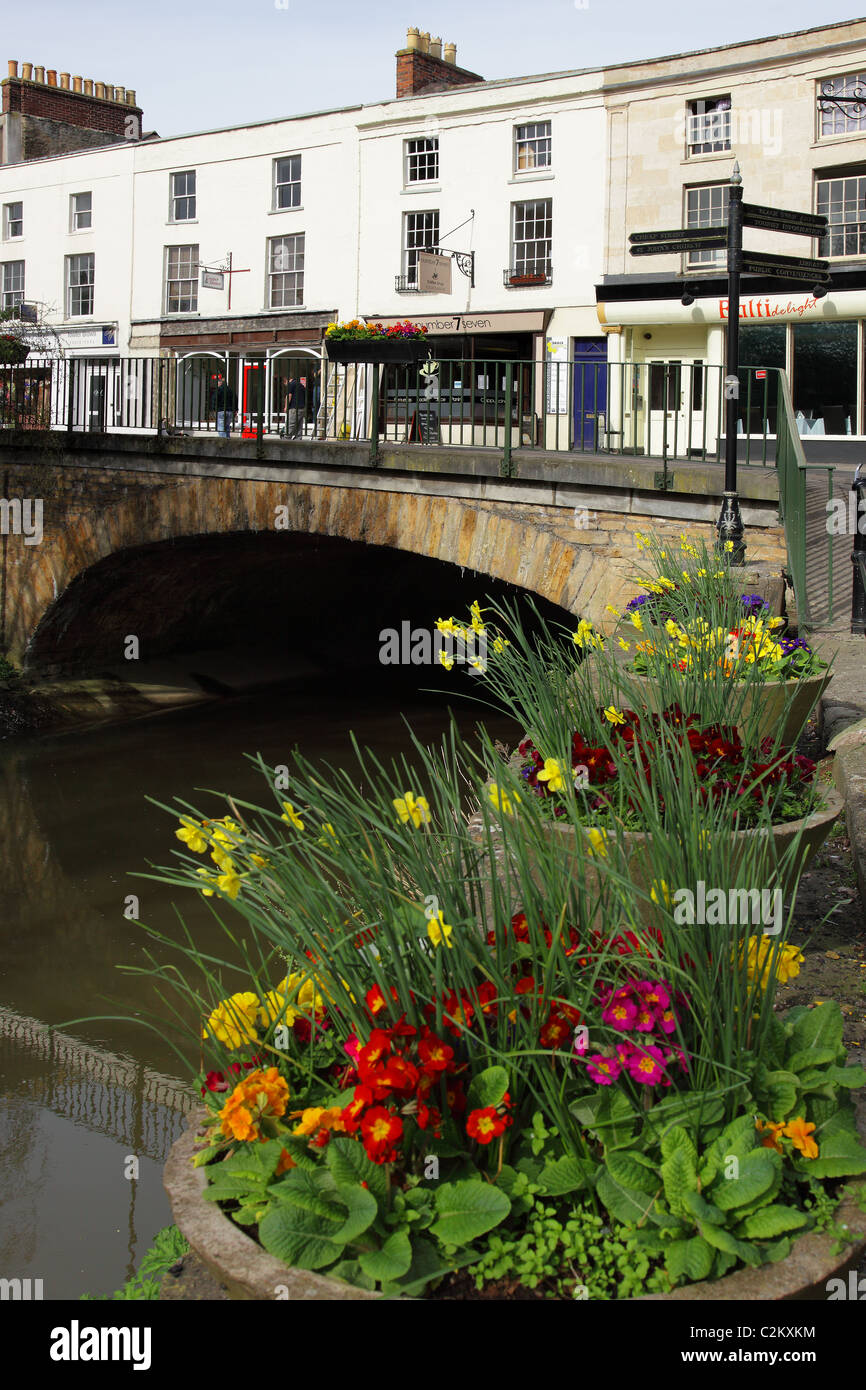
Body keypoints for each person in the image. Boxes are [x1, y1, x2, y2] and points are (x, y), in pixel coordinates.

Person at [213, 372, 237, 437]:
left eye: (218, 382)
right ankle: (228, 440)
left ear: (221, 383)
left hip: (221, 411)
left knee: (221, 427)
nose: (217, 384)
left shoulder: (219, 390)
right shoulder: (231, 390)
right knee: (227, 427)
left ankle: (223, 442)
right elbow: (235, 400)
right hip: (230, 411)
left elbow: (215, 400)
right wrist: (235, 410)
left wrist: (214, 409)